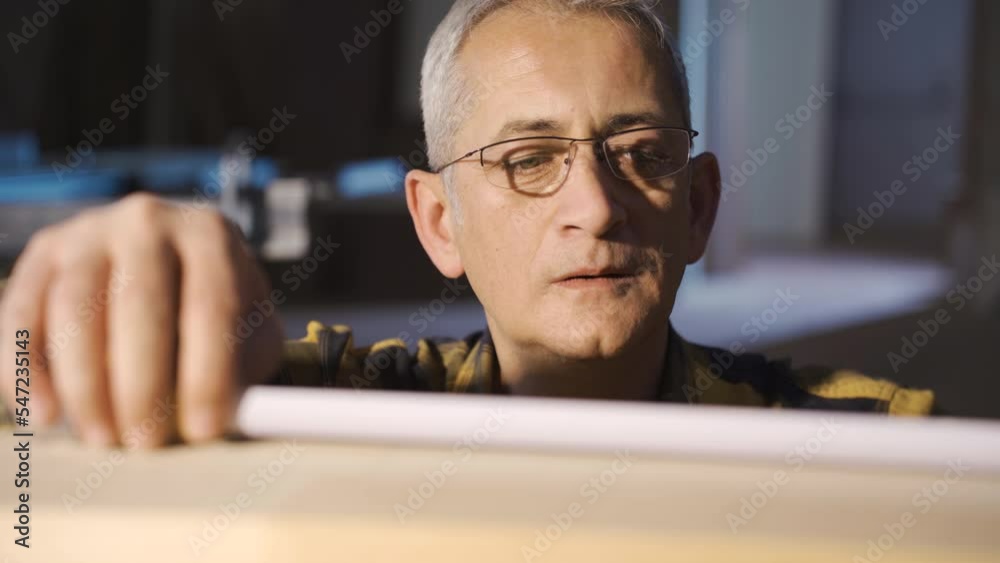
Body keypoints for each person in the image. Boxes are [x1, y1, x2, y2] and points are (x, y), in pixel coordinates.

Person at [0, 0, 934, 448]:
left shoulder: (866, 440)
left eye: (642, 152)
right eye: (528, 160)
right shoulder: (346, 413)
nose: (595, 207)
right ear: (438, 221)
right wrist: (70, 310)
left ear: (697, 207)